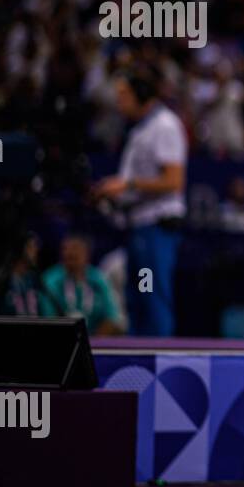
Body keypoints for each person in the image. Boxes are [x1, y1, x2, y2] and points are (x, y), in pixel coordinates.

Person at [90, 65, 187, 336]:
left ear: (141, 94)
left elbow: (174, 181)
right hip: (138, 225)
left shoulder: (165, 126)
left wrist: (128, 185)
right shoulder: (139, 130)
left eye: (124, 95)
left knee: (153, 299)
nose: (118, 102)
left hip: (156, 227)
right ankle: (138, 367)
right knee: (136, 301)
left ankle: (159, 366)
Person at [38, 234, 125, 334]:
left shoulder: (98, 279)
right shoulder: (50, 279)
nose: (69, 252)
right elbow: (48, 319)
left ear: (87, 254)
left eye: (75, 248)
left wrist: (94, 343)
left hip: (95, 341)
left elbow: (111, 316)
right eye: (65, 249)